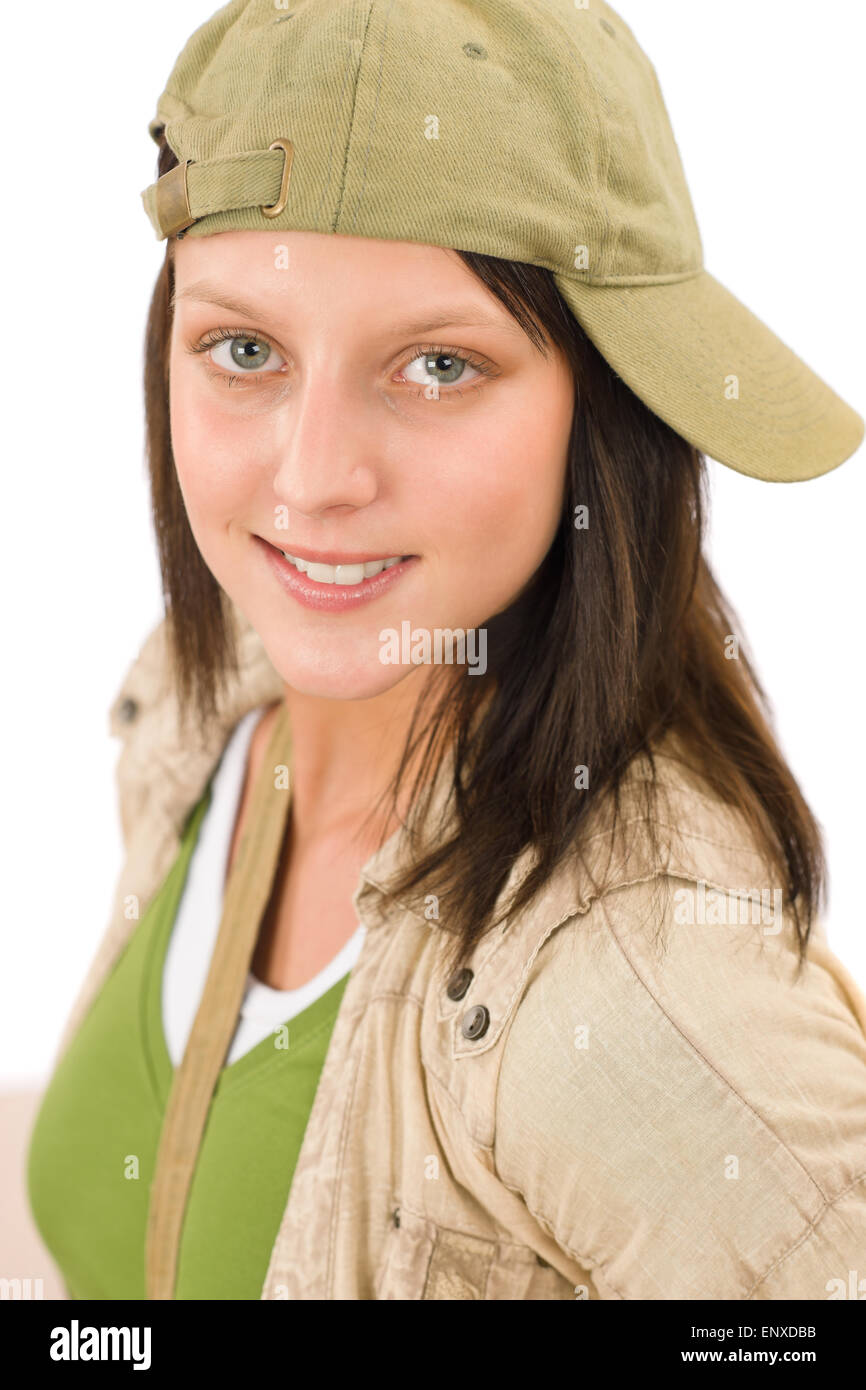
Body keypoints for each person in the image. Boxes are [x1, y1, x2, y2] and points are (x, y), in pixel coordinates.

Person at [27, 0, 866, 1300]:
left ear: (607, 407)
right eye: (243, 349)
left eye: (435, 365)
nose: (311, 483)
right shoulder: (200, 707)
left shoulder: (641, 993)